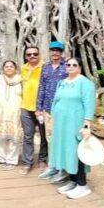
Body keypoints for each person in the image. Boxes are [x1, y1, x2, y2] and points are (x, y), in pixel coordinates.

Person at [49, 57, 96, 200]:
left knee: (78, 151)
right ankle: (73, 180)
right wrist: (52, 119)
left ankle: (82, 185)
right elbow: (55, 101)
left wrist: (87, 126)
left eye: (74, 65)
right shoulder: (61, 83)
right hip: (62, 124)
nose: (70, 67)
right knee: (66, 150)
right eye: (68, 64)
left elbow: (89, 105)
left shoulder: (85, 84)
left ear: (80, 67)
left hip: (76, 123)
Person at [35, 41, 69, 181]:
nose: (55, 53)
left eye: (58, 50)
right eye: (53, 50)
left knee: (60, 137)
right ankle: (52, 165)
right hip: (47, 108)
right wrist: (39, 108)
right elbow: (41, 87)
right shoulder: (45, 67)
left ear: (62, 52)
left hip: (62, 108)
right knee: (49, 138)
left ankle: (63, 167)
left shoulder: (67, 66)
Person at [19, 45, 44, 175]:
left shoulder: (45, 67)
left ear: (39, 54)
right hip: (25, 107)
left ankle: (43, 160)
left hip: (41, 107)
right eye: (29, 54)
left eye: (35, 54)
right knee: (28, 136)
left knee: (44, 136)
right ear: (25, 56)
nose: (32, 56)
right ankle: (27, 162)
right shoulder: (23, 68)